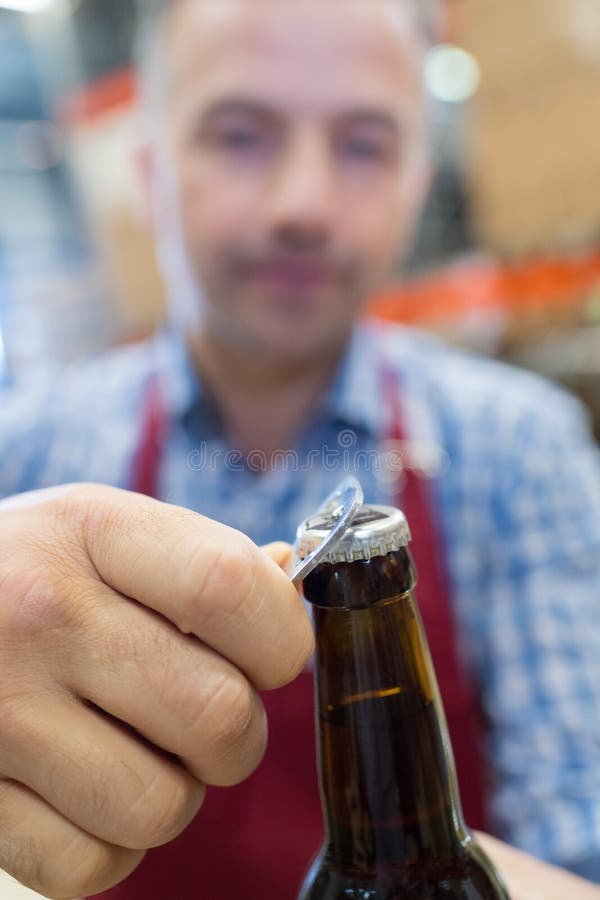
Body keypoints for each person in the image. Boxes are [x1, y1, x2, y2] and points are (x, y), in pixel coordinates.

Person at [1, 0, 600, 897]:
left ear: (414, 178)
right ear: (151, 172)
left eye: (364, 144)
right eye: (241, 136)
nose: (303, 205)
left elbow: (579, 839)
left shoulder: (518, 451)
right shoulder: (31, 452)